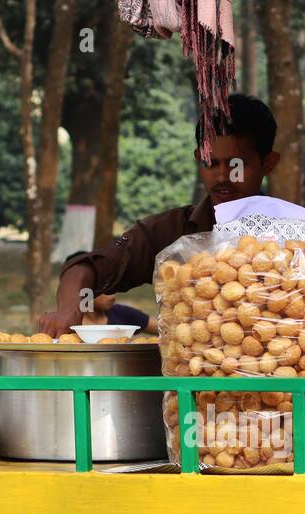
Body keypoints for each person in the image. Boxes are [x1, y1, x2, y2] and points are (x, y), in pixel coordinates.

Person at [40, 93, 281, 337]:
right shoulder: (171, 231)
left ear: (268, 163)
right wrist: (69, 309)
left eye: (237, 165)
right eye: (211, 163)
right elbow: (87, 268)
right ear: (199, 159)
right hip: (188, 373)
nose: (222, 176)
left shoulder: (297, 238)